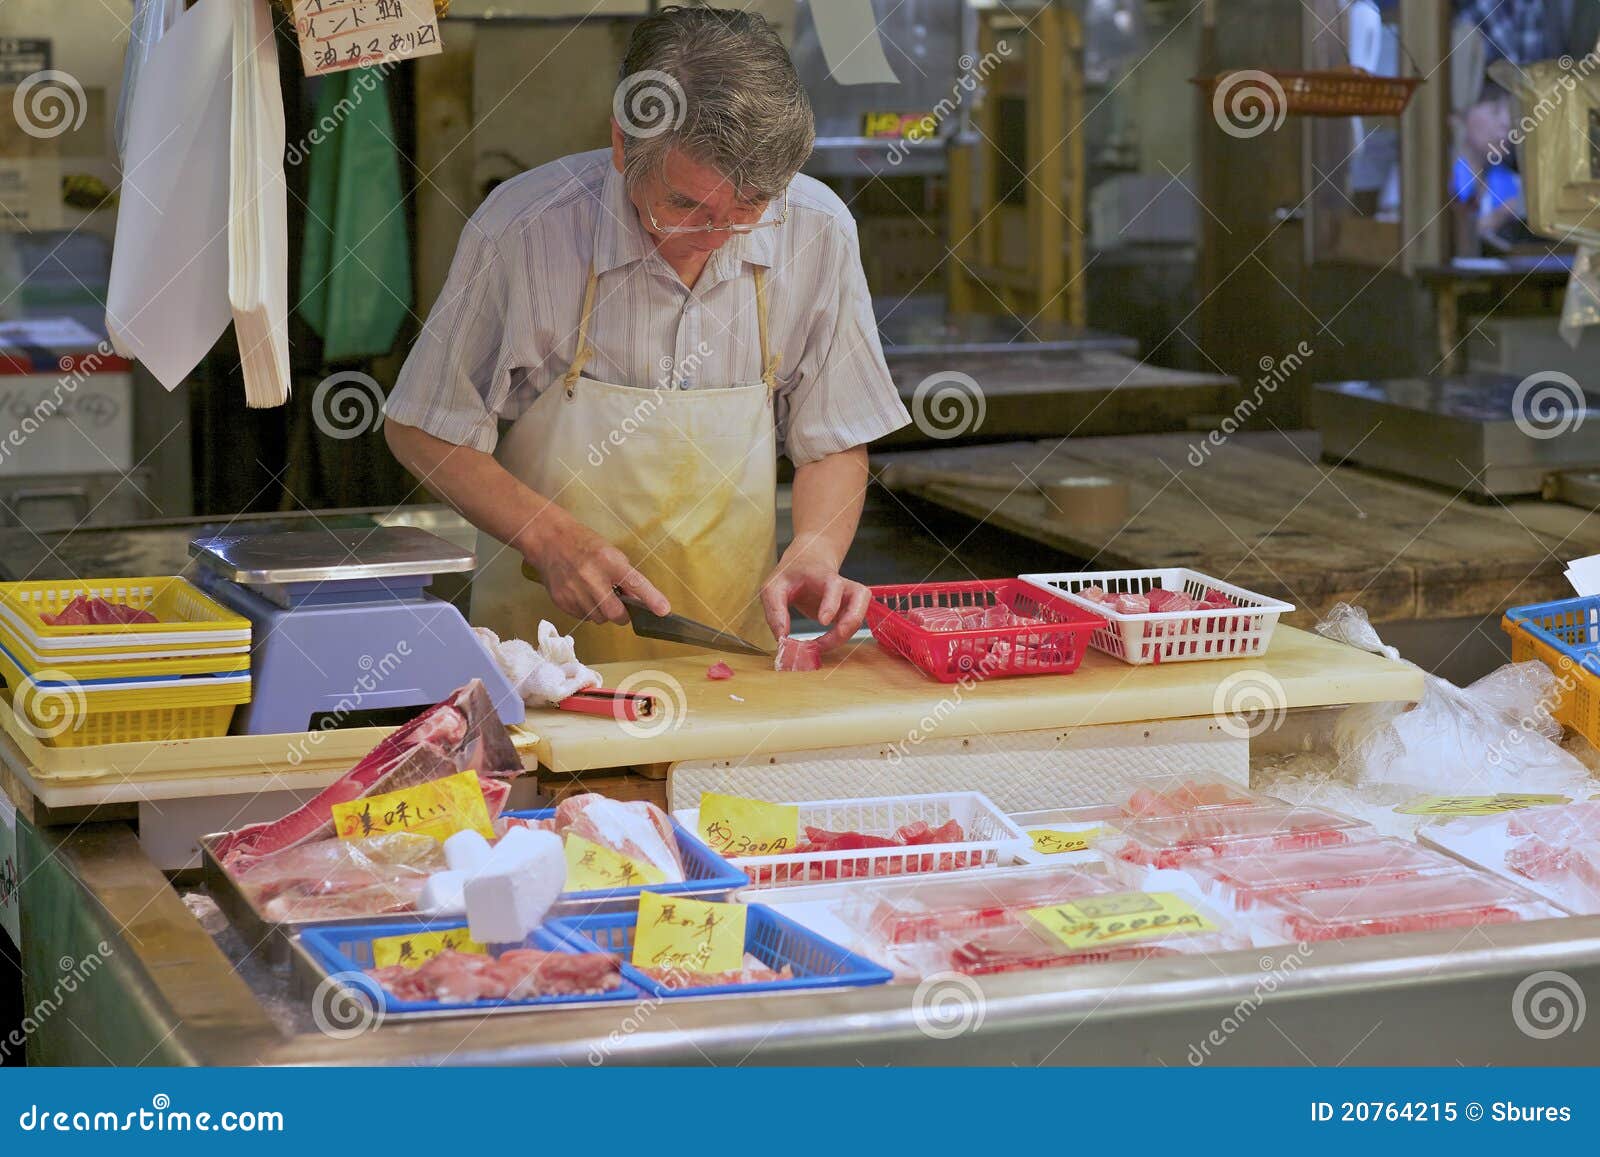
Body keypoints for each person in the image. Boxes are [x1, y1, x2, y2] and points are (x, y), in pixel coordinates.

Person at [384, 6, 910, 663]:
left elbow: (832, 436)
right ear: (622, 144)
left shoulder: (817, 229)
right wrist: (548, 537)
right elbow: (423, 427)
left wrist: (816, 549)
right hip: (545, 667)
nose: (714, 237)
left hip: (730, 662)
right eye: (684, 204)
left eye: (748, 208)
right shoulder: (522, 230)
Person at [1451, 83, 1524, 250]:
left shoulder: (1514, 185)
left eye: (1512, 113)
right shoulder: (1440, 176)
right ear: (1459, 117)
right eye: (1495, 111)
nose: (1506, 123)